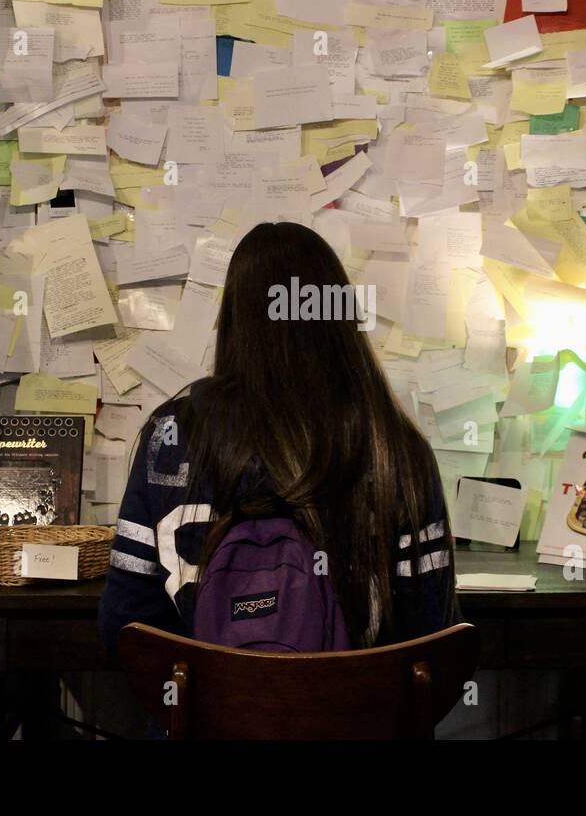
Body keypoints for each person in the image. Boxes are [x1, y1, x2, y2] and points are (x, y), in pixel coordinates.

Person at [98, 222, 461, 653]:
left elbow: (123, 628)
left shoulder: (171, 436)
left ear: (235, 317)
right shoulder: (393, 444)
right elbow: (434, 640)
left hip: (207, 719)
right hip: (356, 718)